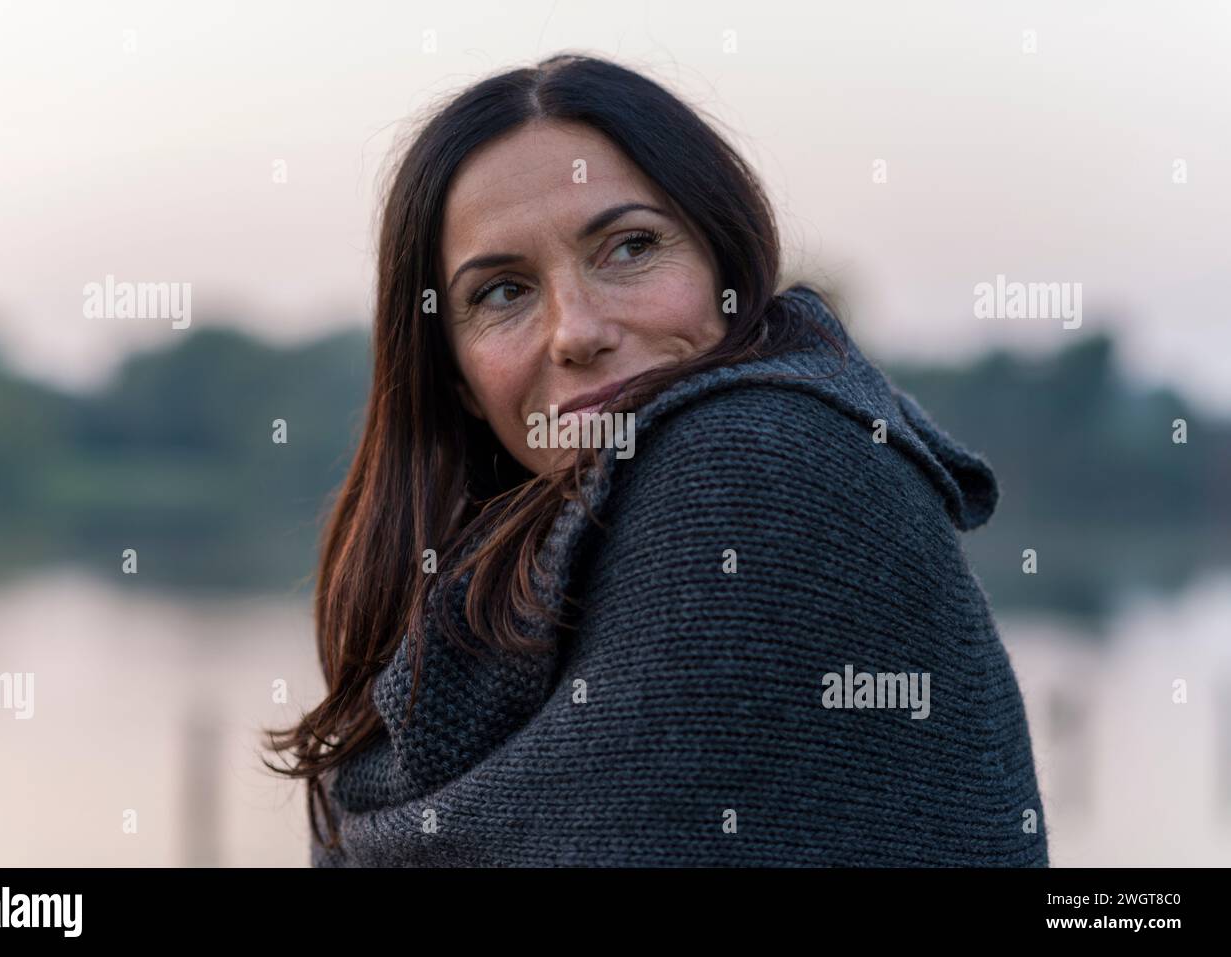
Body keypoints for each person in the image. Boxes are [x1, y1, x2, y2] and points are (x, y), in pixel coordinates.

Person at [264, 52, 1049, 867]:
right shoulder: (467, 599)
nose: (577, 331)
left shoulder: (759, 462)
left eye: (630, 247)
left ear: (725, 268)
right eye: (503, 291)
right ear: (456, 377)